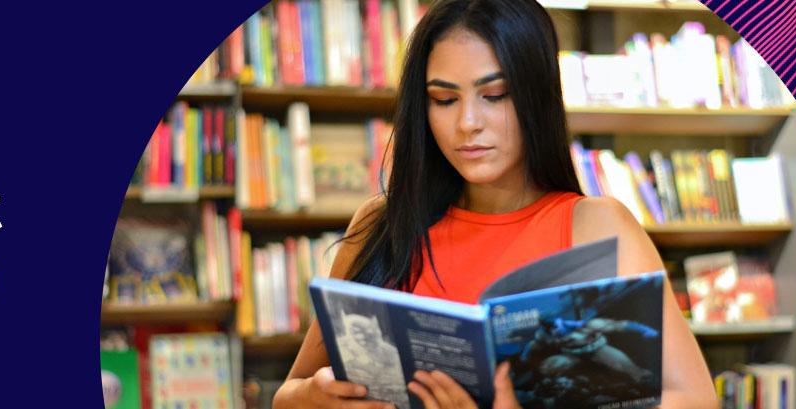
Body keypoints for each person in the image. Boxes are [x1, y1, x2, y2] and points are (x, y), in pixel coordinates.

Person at [270, 0, 717, 407]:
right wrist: (313, 397)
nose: (467, 123)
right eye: (444, 99)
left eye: (495, 95)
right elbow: (288, 396)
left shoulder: (598, 226)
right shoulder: (381, 223)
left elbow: (695, 400)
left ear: (535, 95)